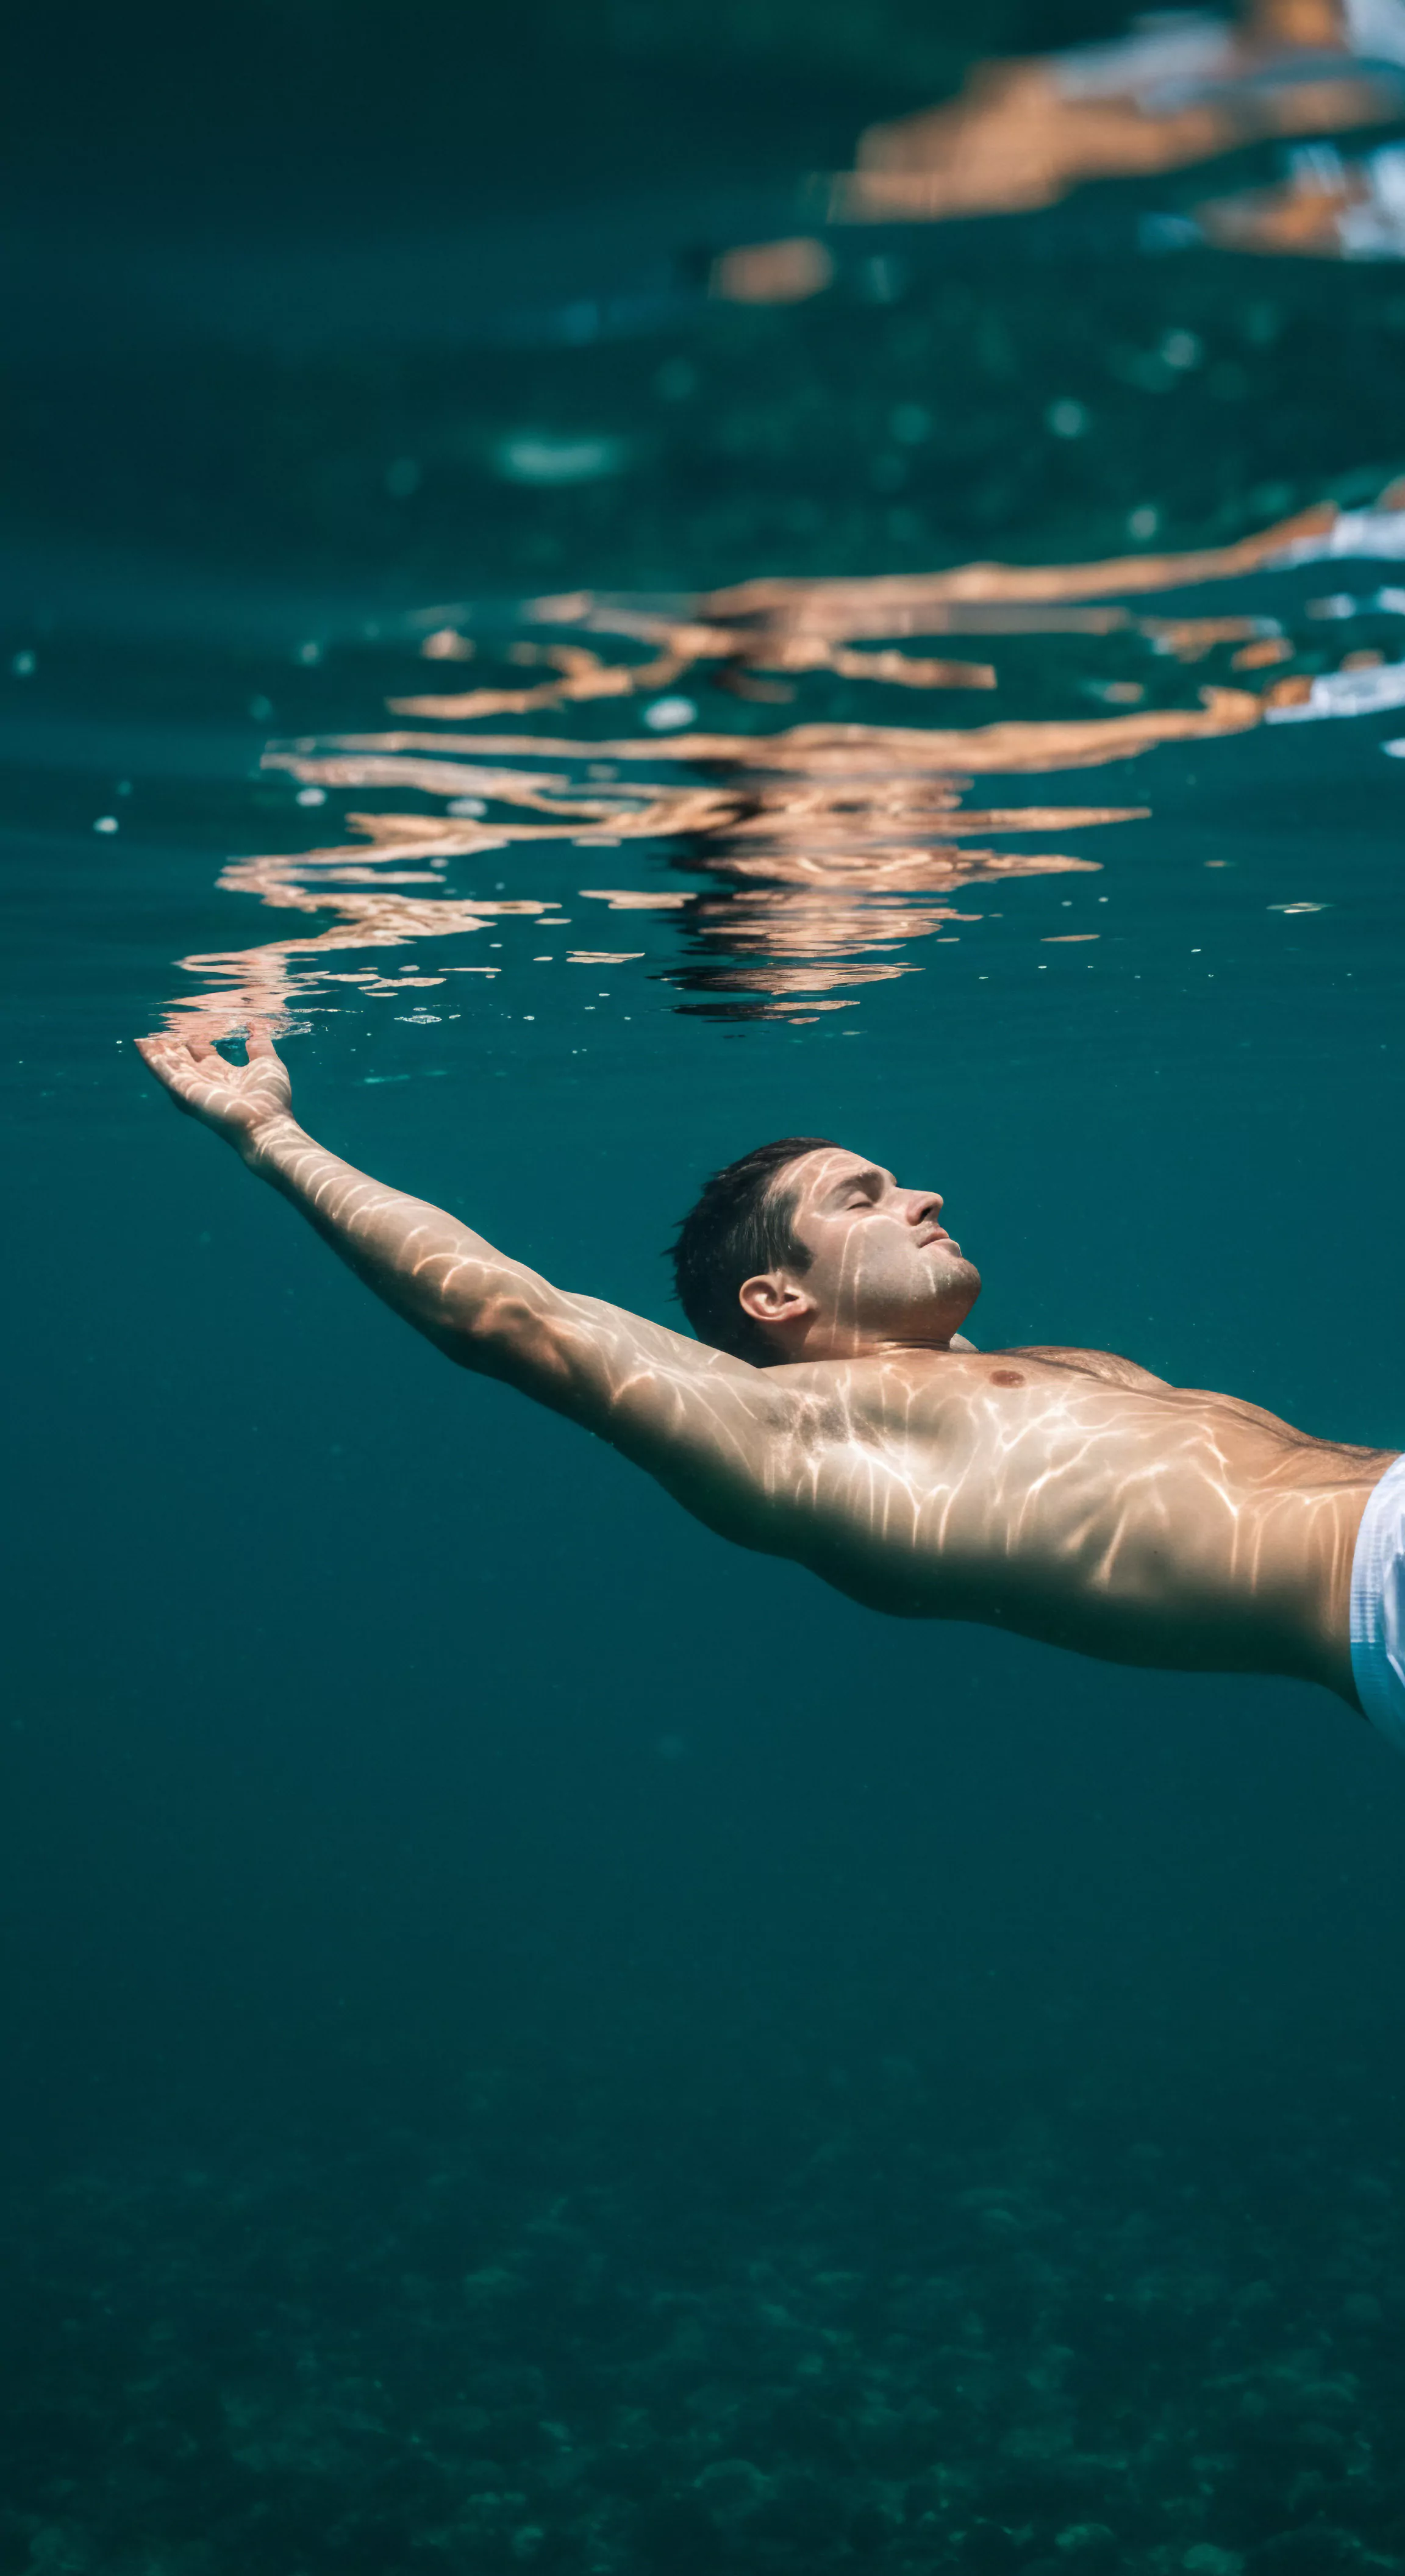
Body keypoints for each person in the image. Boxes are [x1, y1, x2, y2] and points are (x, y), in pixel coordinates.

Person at [136, 1029, 1405, 1748]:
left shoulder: (1045, 1369)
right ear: (775, 1301)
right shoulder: (798, 1439)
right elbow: (503, 1313)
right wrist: (272, 1136)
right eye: (863, 1197)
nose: (925, 1197)